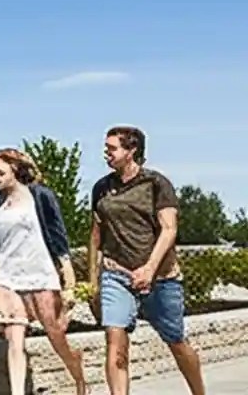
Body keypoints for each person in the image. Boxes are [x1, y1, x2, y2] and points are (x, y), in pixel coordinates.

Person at [89, 125, 205, 395]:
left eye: (112, 148)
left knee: (176, 341)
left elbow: (169, 229)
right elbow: (96, 235)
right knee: (115, 340)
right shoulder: (102, 188)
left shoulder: (156, 183)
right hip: (116, 273)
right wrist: (93, 280)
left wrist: (149, 269)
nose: (106, 153)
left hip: (161, 278)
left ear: (131, 151)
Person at [0, 148, 85, 395]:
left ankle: (78, 374)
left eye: (0, 172)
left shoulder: (41, 197)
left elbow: (58, 233)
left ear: (15, 170)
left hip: (40, 272)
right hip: (7, 275)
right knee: (14, 342)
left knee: (56, 335)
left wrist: (67, 272)